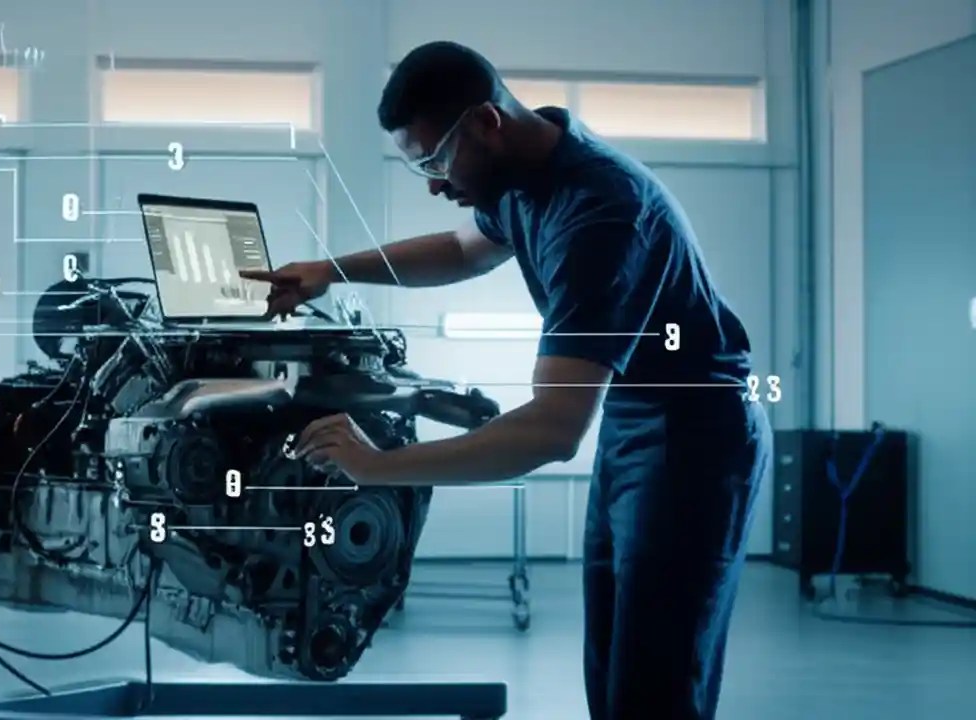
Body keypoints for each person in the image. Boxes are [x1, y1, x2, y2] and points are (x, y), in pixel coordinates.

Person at [240, 41, 770, 720]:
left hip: (696, 438)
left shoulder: (599, 213)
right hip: (635, 423)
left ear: (488, 122)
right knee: (613, 670)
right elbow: (462, 250)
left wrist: (378, 467)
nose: (434, 184)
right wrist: (330, 269)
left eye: (435, 162)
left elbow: (552, 431)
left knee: (656, 688)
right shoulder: (526, 175)